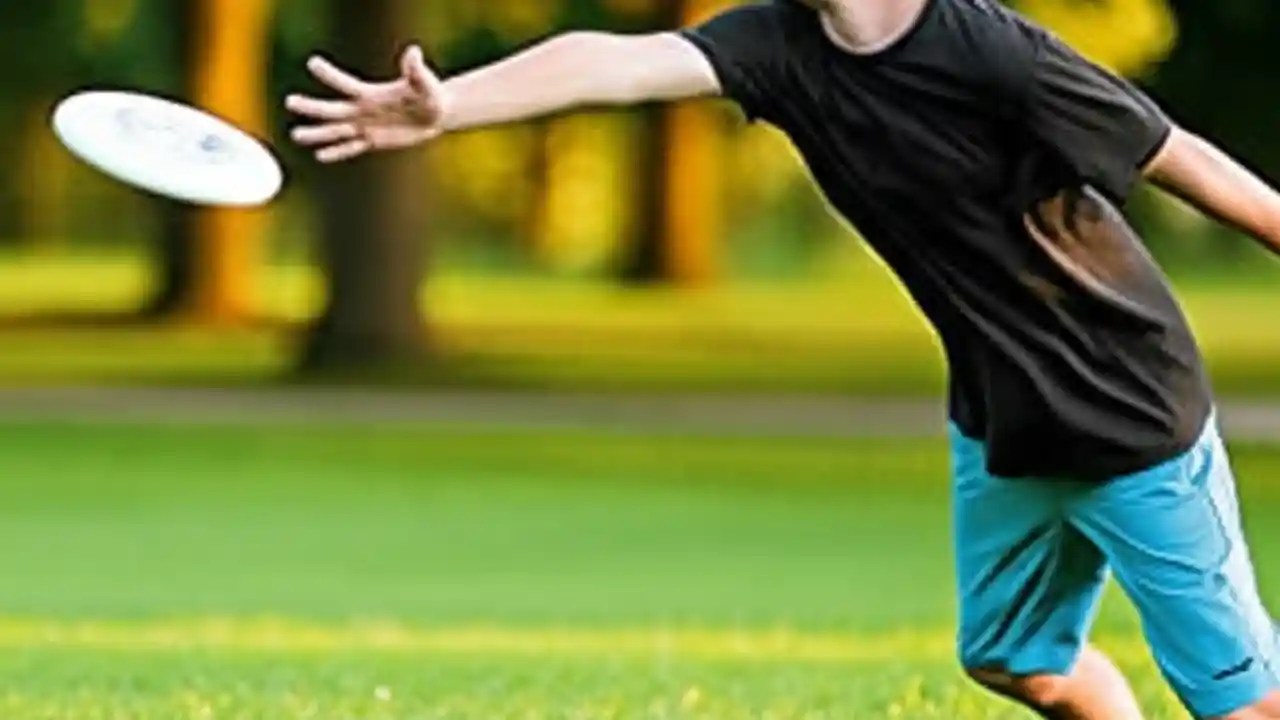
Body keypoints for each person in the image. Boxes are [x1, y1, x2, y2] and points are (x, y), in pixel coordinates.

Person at [284, 0, 1280, 717]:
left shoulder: (990, 50)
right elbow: (618, 62)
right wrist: (448, 105)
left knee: (1238, 700)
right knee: (1017, 661)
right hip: (1002, 423)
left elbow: (1179, 156)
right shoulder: (778, 47)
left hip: (1130, 415)